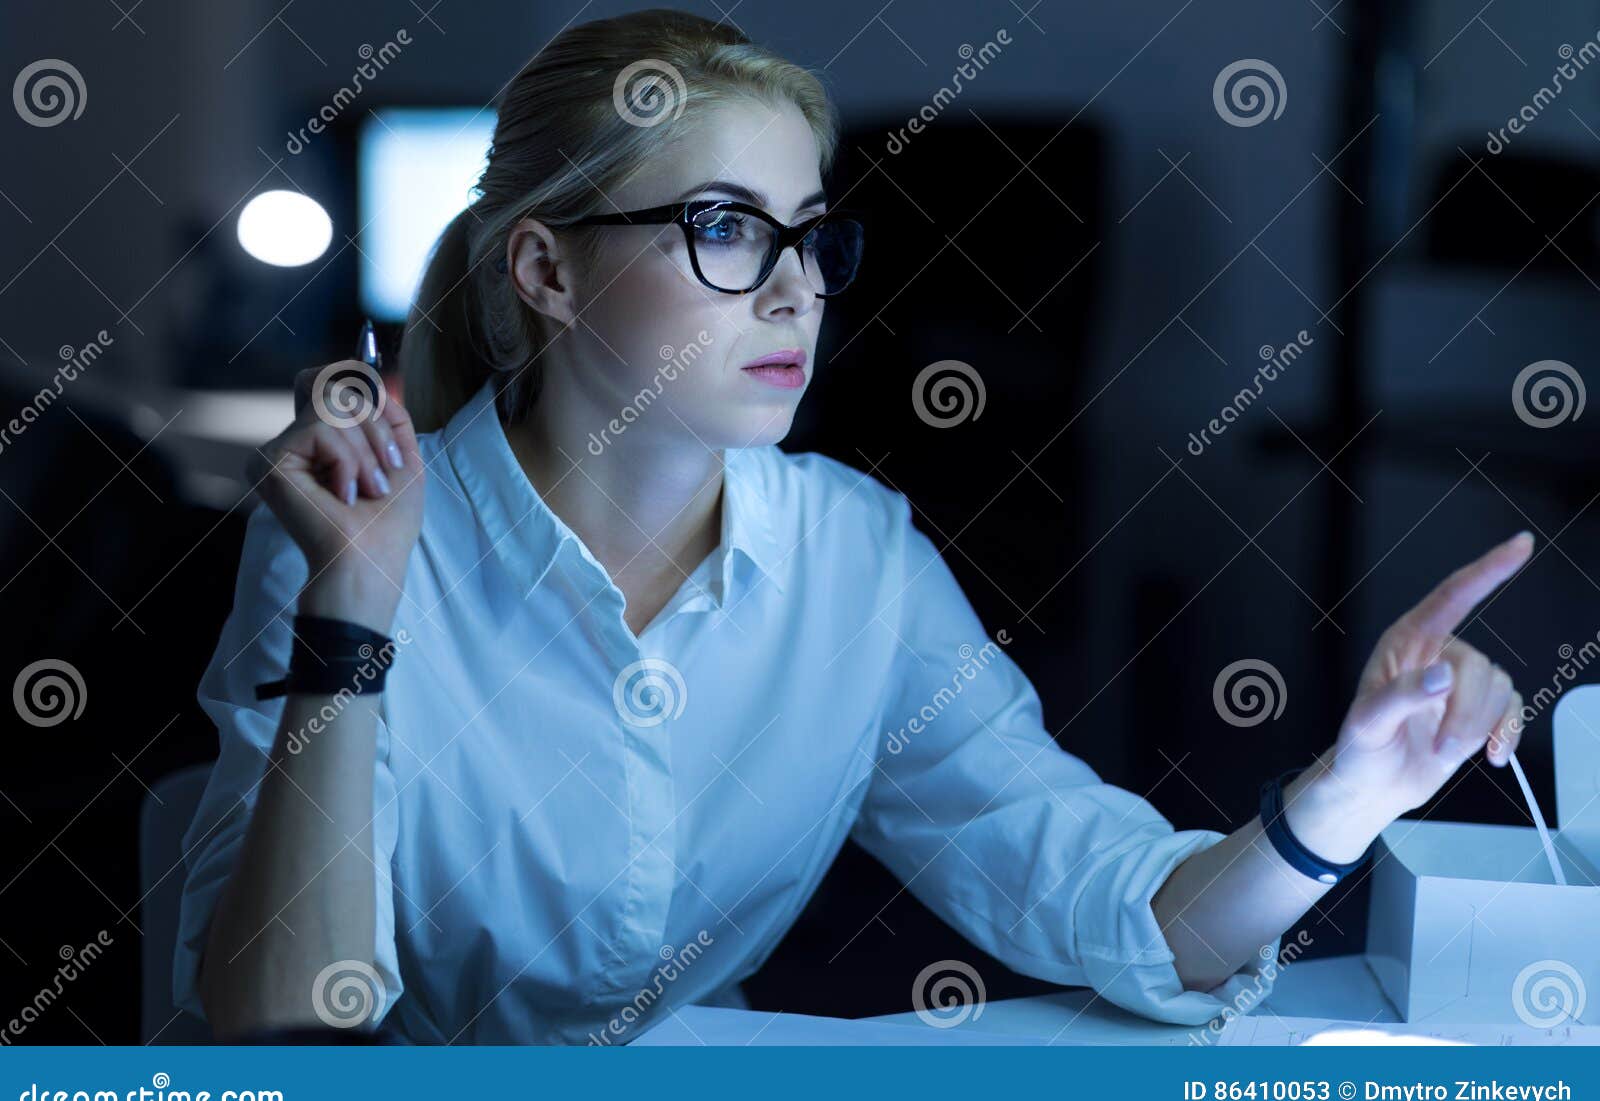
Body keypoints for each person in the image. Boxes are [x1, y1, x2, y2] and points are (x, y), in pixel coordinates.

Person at [176, 8, 1530, 1044]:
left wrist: (1346, 796)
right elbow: (279, 1043)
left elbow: (1107, 901)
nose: (793, 294)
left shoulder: (854, 559)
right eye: (722, 228)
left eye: (811, 237)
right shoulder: (352, 543)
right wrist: (350, 632)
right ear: (546, 270)